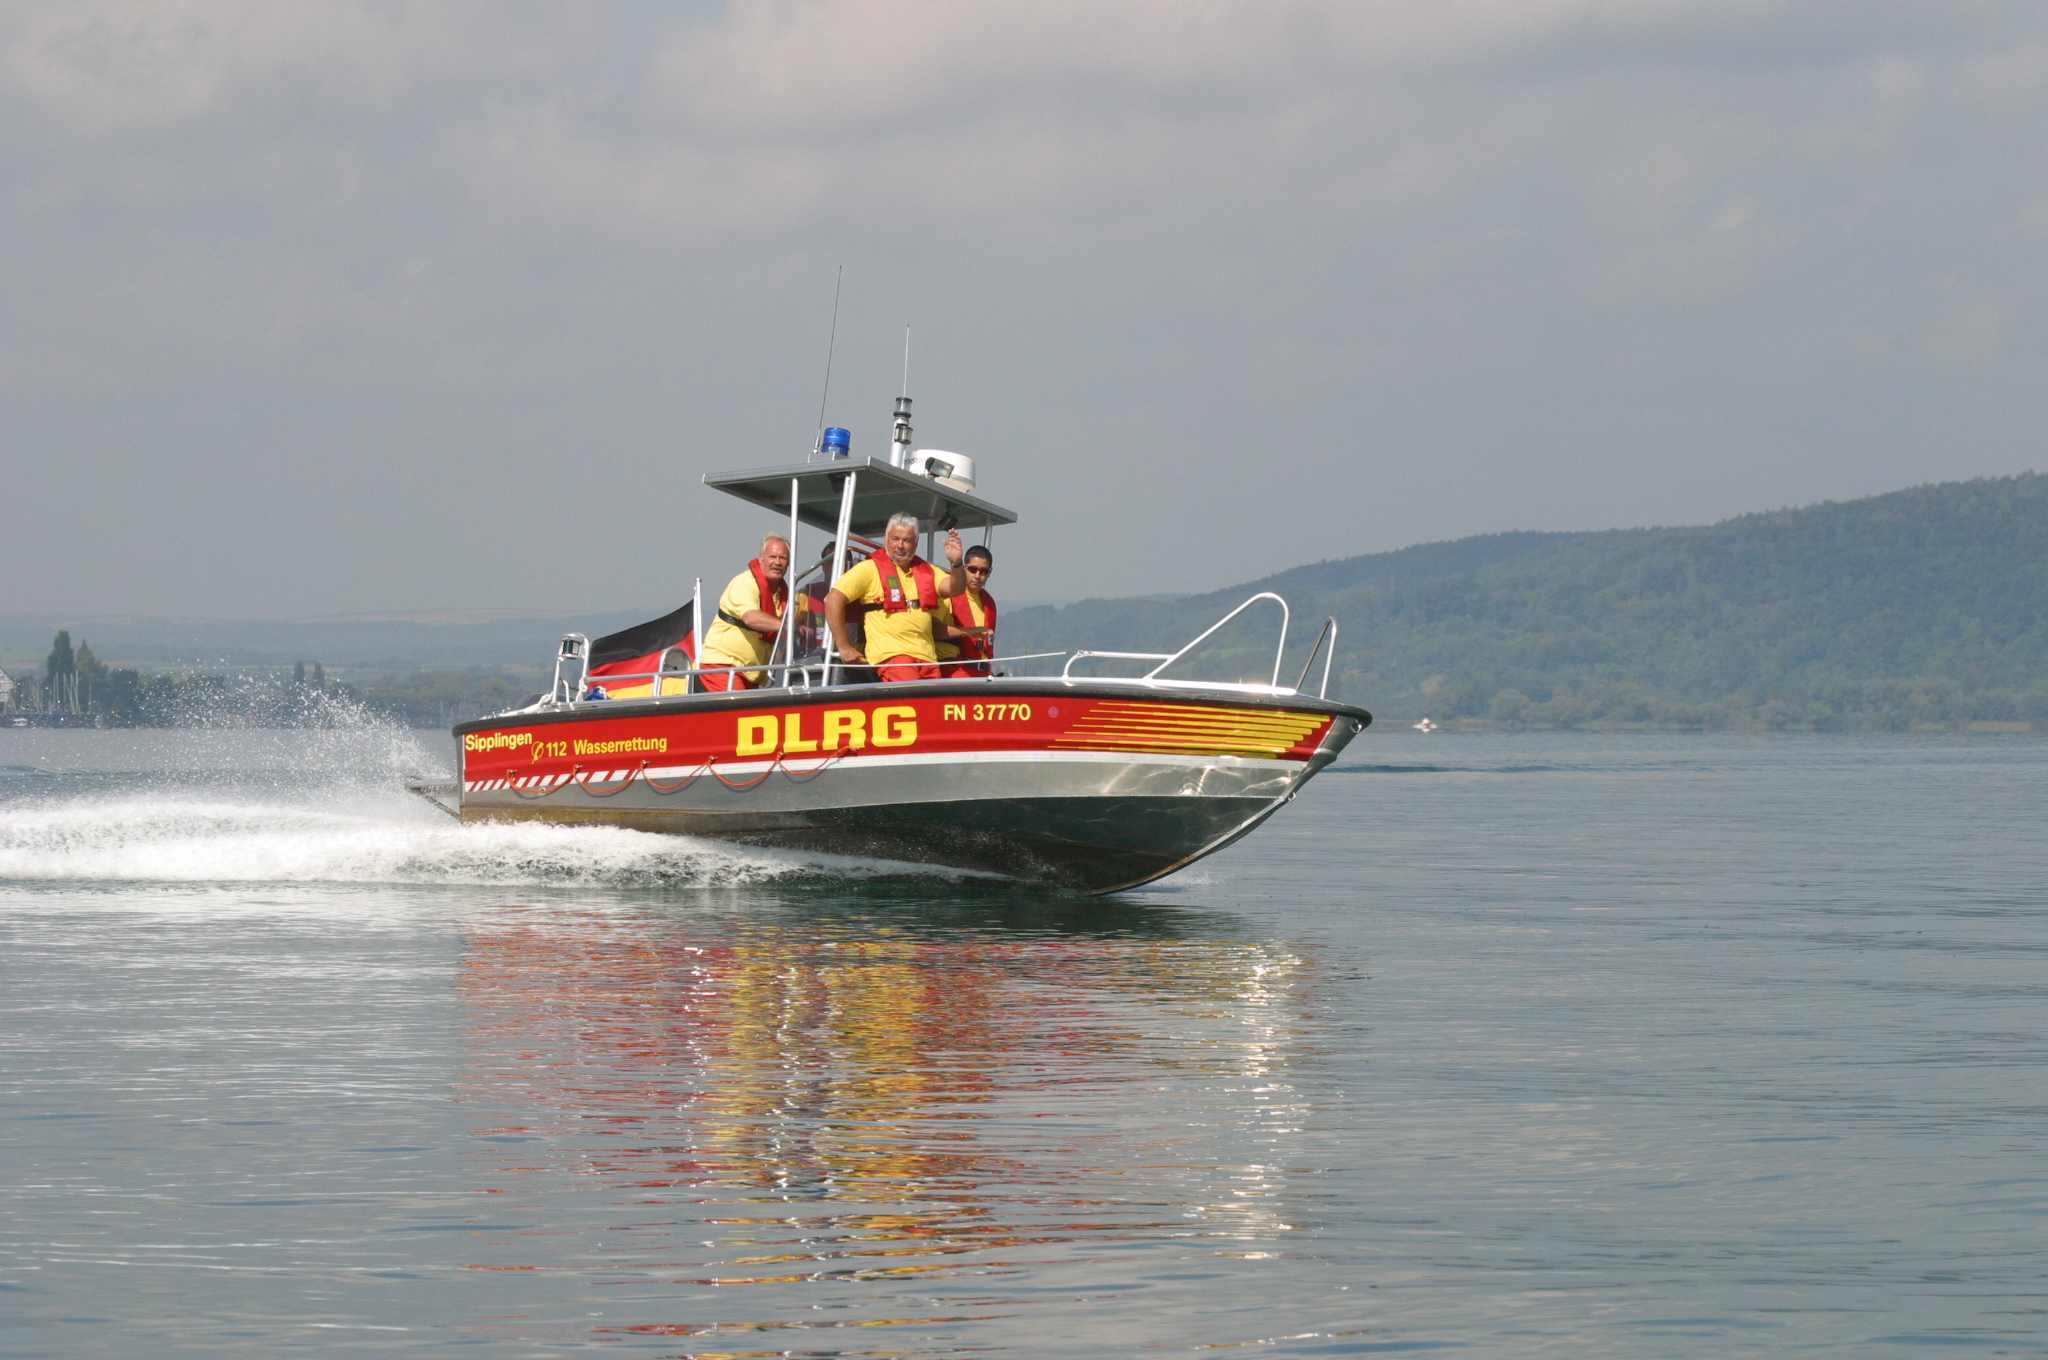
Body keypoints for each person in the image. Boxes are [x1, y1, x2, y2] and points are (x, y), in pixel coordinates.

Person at [824, 513, 968, 682]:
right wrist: (844, 646)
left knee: (929, 705)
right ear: (886, 539)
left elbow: (955, 588)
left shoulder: (926, 570)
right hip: (893, 657)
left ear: (916, 543)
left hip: (928, 659)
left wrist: (956, 563)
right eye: (895, 539)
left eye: (907, 540)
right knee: (914, 700)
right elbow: (832, 599)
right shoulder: (870, 569)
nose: (900, 545)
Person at [696, 533, 791, 691]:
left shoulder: (783, 594)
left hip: (751, 674)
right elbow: (751, 618)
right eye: (772, 557)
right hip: (725, 665)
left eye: (783, 558)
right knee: (739, 711)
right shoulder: (744, 583)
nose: (777, 562)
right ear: (760, 559)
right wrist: (789, 626)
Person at [934, 545, 997, 678]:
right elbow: (935, 629)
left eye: (983, 571)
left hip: (984, 674)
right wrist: (967, 632)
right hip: (955, 671)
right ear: (964, 568)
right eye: (973, 570)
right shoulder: (947, 595)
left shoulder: (989, 604)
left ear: (989, 573)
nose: (977, 576)